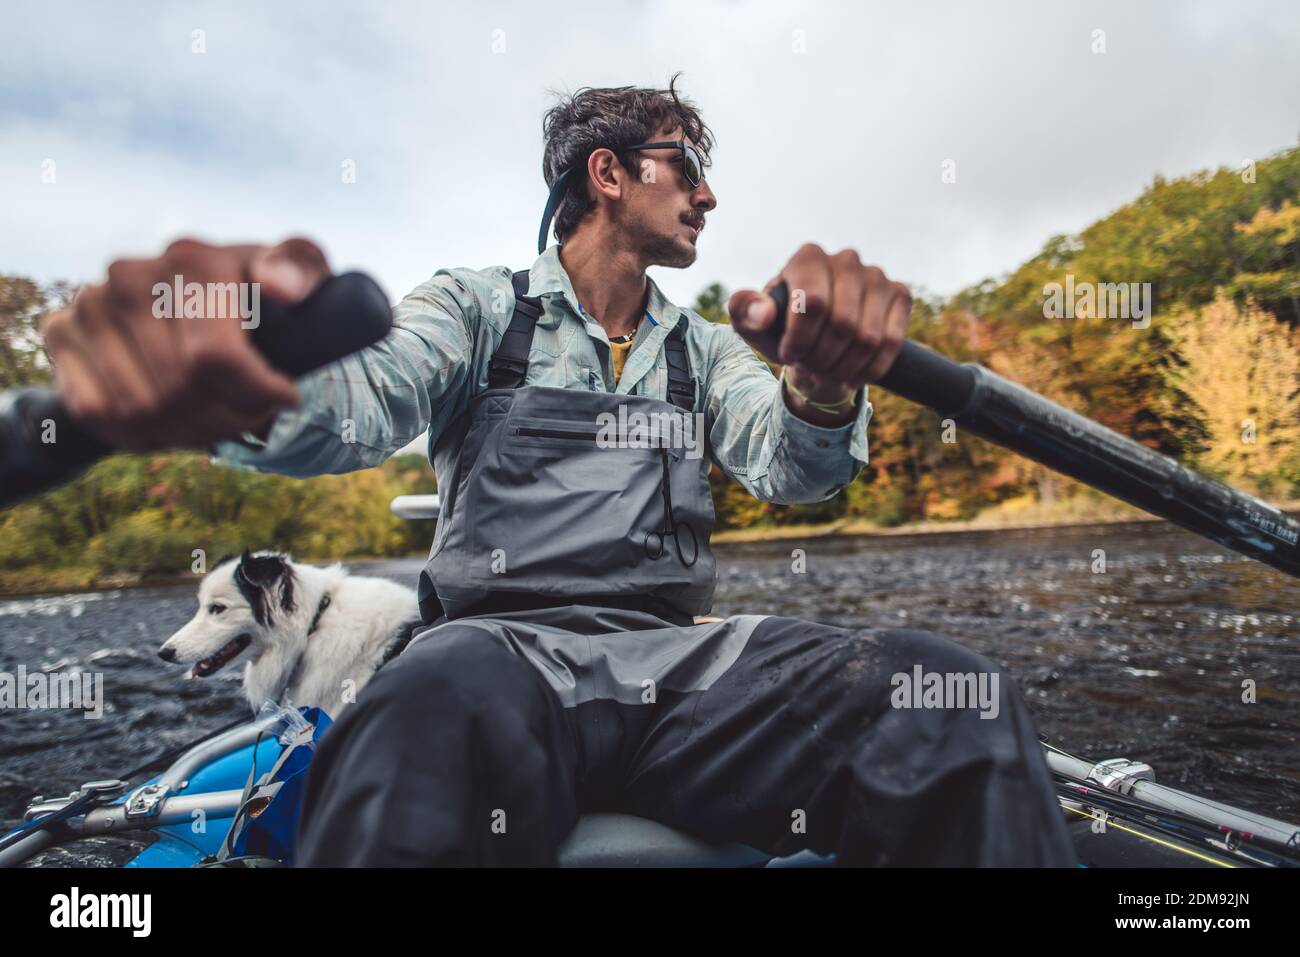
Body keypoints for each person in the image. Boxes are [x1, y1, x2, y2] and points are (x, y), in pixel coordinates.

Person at [38, 77, 1076, 866]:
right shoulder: (477, 309)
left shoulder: (707, 349)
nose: (708, 193)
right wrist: (250, 382)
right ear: (607, 173)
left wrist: (820, 386)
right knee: (422, 702)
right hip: (496, 662)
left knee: (948, 696)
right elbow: (357, 409)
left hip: (685, 673)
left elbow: (796, 472)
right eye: (685, 164)